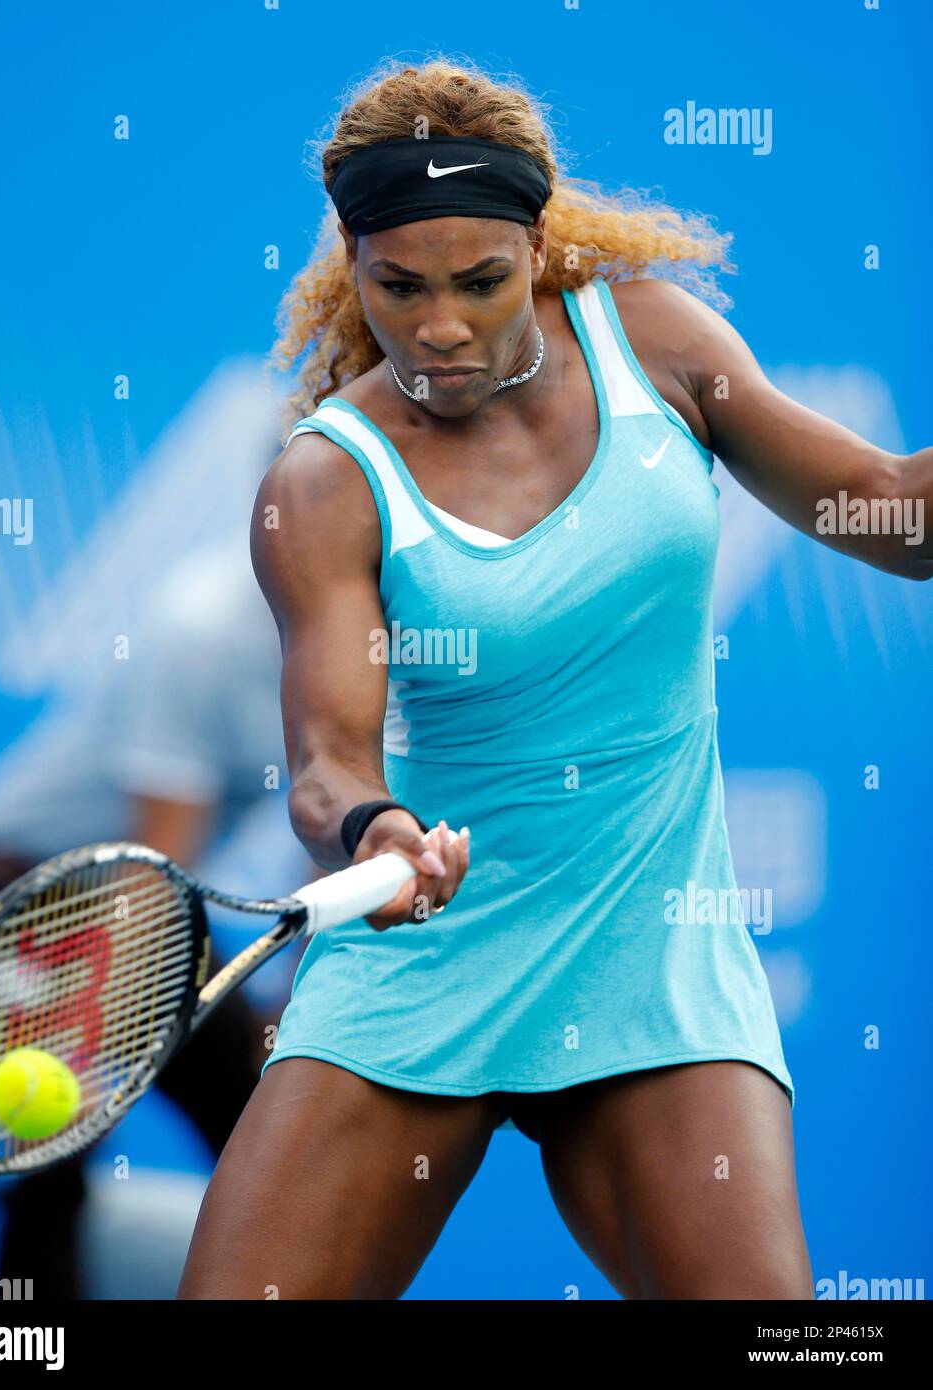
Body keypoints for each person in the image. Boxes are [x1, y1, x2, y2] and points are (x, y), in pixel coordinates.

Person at [178, 57, 931, 1301]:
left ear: (539, 246)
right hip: (422, 959)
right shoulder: (323, 480)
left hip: (649, 951)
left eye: (481, 281)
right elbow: (326, 765)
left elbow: (898, 515)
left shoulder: (659, 346)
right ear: (352, 265)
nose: (440, 327)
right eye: (399, 286)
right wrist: (379, 832)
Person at [0, 538, 312, 1298]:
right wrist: (95, 1034)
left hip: (143, 899)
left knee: (263, 1122)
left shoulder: (354, 643)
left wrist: (297, 1003)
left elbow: (328, 836)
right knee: (53, 1145)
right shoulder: (200, 630)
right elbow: (152, 871)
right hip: (25, 890)